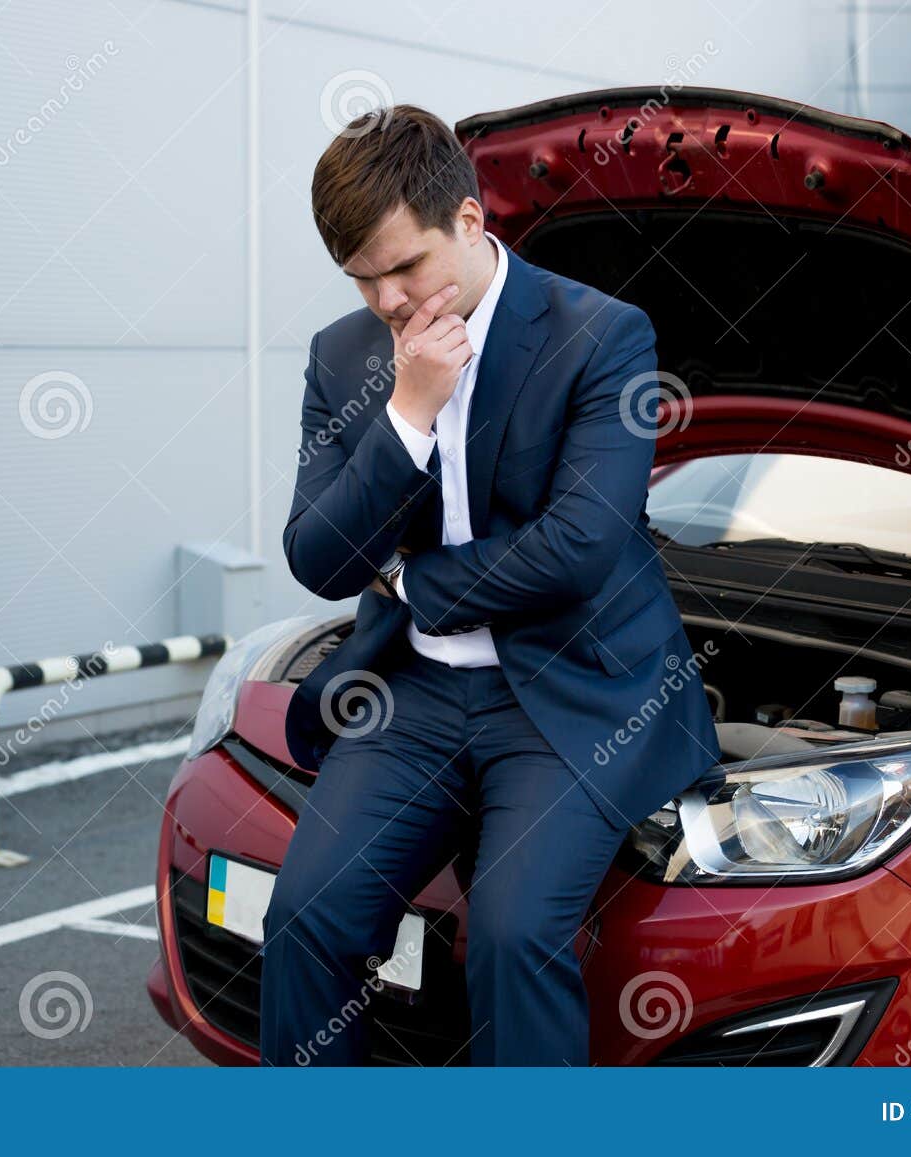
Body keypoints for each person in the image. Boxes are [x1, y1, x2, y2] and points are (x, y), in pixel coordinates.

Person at [262, 103, 721, 1065]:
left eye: (405, 266)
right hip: (416, 694)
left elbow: (582, 545)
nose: (387, 299)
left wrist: (413, 581)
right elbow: (318, 558)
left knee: (512, 938)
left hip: (573, 689)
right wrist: (406, 416)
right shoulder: (344, 359)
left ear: (470, 223)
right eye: (362, 277)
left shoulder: (600, 336)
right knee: (305, 915)